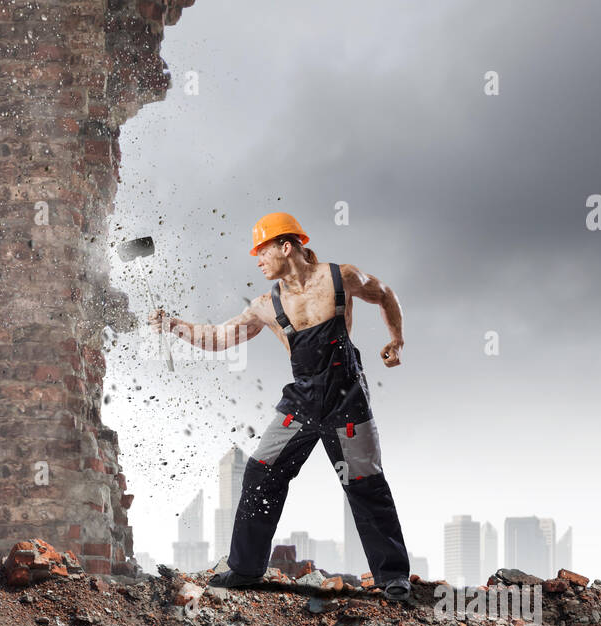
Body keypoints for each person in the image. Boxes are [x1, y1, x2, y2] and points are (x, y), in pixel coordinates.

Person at [148, 212, 413, 601]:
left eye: (262, 251)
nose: (258, 260)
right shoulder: (265, 306)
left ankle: (393, 578)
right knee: (260, 473)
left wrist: (397, 339)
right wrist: (174, 324)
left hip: (347, 399)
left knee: (366, 484)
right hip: (301, 403)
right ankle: (246, 568)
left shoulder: (342, 277)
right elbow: (219, 337)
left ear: (286, 246)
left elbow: (385, 293)